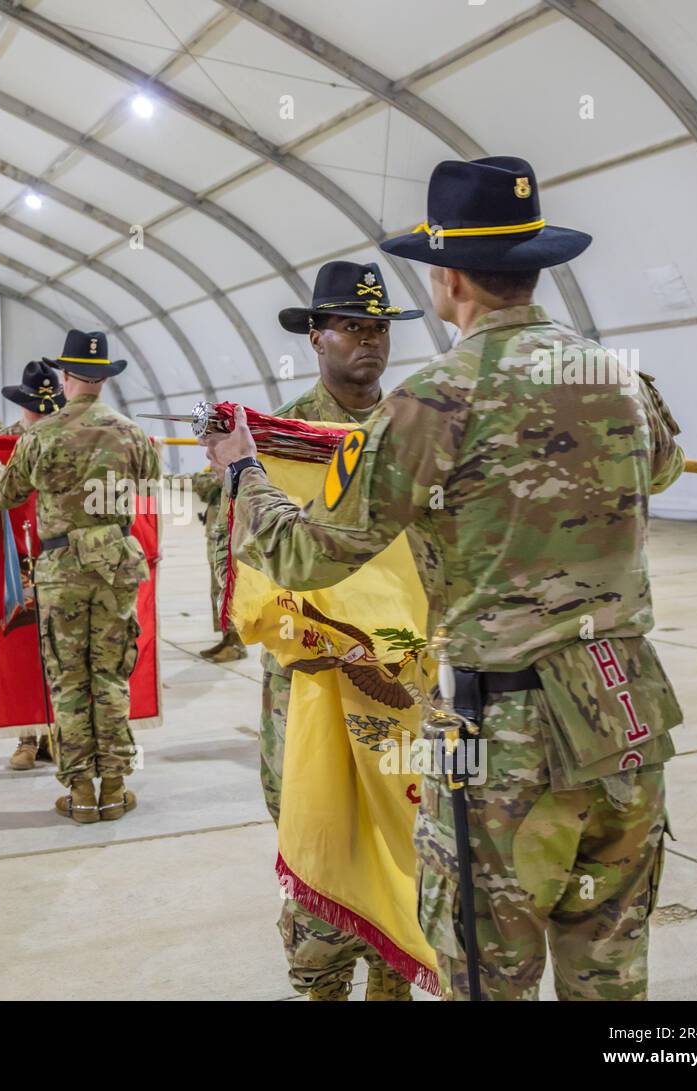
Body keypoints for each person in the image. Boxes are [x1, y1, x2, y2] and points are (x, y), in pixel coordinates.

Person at [207, 156, 685, 1001]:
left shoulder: (434, 401)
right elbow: (665, 466)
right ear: (534, 264)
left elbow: (310, 556)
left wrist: (243, 472)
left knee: (485, 974)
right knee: (610, 973)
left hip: (506, 728)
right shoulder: (619, 379)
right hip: (630, 713)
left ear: (449, 276)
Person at [210, 260, 420, 1002]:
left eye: (379, 327)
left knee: (405, 842)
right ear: (316, 334)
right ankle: (323, 983)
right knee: (319, 838)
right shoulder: (274, 442)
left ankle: (392, 985)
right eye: (351, 326)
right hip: (313, 687)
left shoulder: (414, 431)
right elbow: (240, 564)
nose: (368, 341)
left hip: (403, 682)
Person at [0, 331, 159, 824]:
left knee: (69, 679)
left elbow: (6, 497)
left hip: (62, 568)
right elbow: (149, 480)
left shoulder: (40, 434)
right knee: (111, 674)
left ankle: (80, 792)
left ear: (66, 377)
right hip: (117, 564)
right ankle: (116, 789)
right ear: (104, 378)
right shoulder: (131, 432)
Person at [0, 361, 67, 771]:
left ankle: (57, 734)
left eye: (47, 408)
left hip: (62, 557)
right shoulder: (3, 442)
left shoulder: (72, 434)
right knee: (21, 649)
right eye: (33, 409)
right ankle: (27, 735)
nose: (39, 416)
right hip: (16, 562)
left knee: (61, 650)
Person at [189, 466, 245, 662]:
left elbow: (206, 482)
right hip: (217, 534)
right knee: (218, 589)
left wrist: (208, 478)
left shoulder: (237, 465)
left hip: (230, 536)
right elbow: (201, 484)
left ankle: (236, 644)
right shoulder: (220, 466)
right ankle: (227, 638)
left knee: (229, 588)